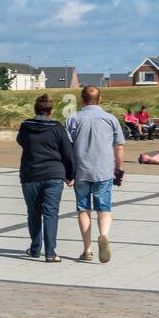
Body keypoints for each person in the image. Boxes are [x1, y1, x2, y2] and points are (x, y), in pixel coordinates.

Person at [65, 85, 124, 263]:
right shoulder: (110, 119)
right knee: (104, 208)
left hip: (81, 171)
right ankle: (104, 235)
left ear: (82, 99)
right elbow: (119, 146)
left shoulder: (72, 119)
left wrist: (68, 173)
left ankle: (87, 250)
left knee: (83, 209)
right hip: (104, 171)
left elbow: (66, 148)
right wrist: (118, 169)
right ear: (100, 99)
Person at [16, 94, 75, 262]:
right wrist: (70, 175)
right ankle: (50, 253)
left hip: (30, 174)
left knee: (33, 213)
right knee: (51, 213)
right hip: (54, 175)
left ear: (35, 108)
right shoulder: (57, 128)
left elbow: (20, 141)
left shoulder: (26, 126)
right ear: (51, 110)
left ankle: (35, 249)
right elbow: (67, 153)